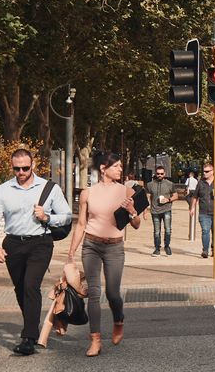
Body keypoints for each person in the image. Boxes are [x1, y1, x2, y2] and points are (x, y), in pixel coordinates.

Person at [0, 148, 72, 356]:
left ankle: (28, 338)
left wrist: (48, 217)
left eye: (25, 167)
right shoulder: (3, 190)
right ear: (12, 167)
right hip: (13, 244)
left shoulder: (50, 188)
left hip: (40, 243)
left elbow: (67, 216)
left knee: (31, 285)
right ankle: (32, 325)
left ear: (33, 165)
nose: (21, 172)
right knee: (20, 288)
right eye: (17, 168)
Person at [67, 152, 141, 357]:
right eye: (116, 166)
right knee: (93, 292)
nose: (120, 169)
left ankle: (119, 320)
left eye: (120, 166)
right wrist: (71, 251)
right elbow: (81, 224)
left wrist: (133, 210)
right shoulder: (87, 193)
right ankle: (95, 340)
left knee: (113, 293)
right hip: (91, 245)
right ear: (102, 168)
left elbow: (136, 225)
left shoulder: (127, 191)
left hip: (115, 247)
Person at [194, 164, 215, 259]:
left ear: (212, 171)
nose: (204, 173)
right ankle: (205, 250)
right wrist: (192, 208)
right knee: (205, 231)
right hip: (204, 212)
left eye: (207, 171)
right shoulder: (200, 183)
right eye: (204, 171)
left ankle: (214, 249)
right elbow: (195, 196)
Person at [144, 165, 178, 256]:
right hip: (155, 211)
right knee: (156, 231)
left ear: (164, 174)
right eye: (158, 173)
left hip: (166, 209)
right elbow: (147, 198)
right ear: (155, 173)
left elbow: (176, 196)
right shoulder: (150, 184)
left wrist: (168, 200)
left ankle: (167, 246)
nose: (160, 175)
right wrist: (145, 211)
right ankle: (157, 249)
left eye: (161, 174)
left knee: (167, 229)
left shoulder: (170, 184)